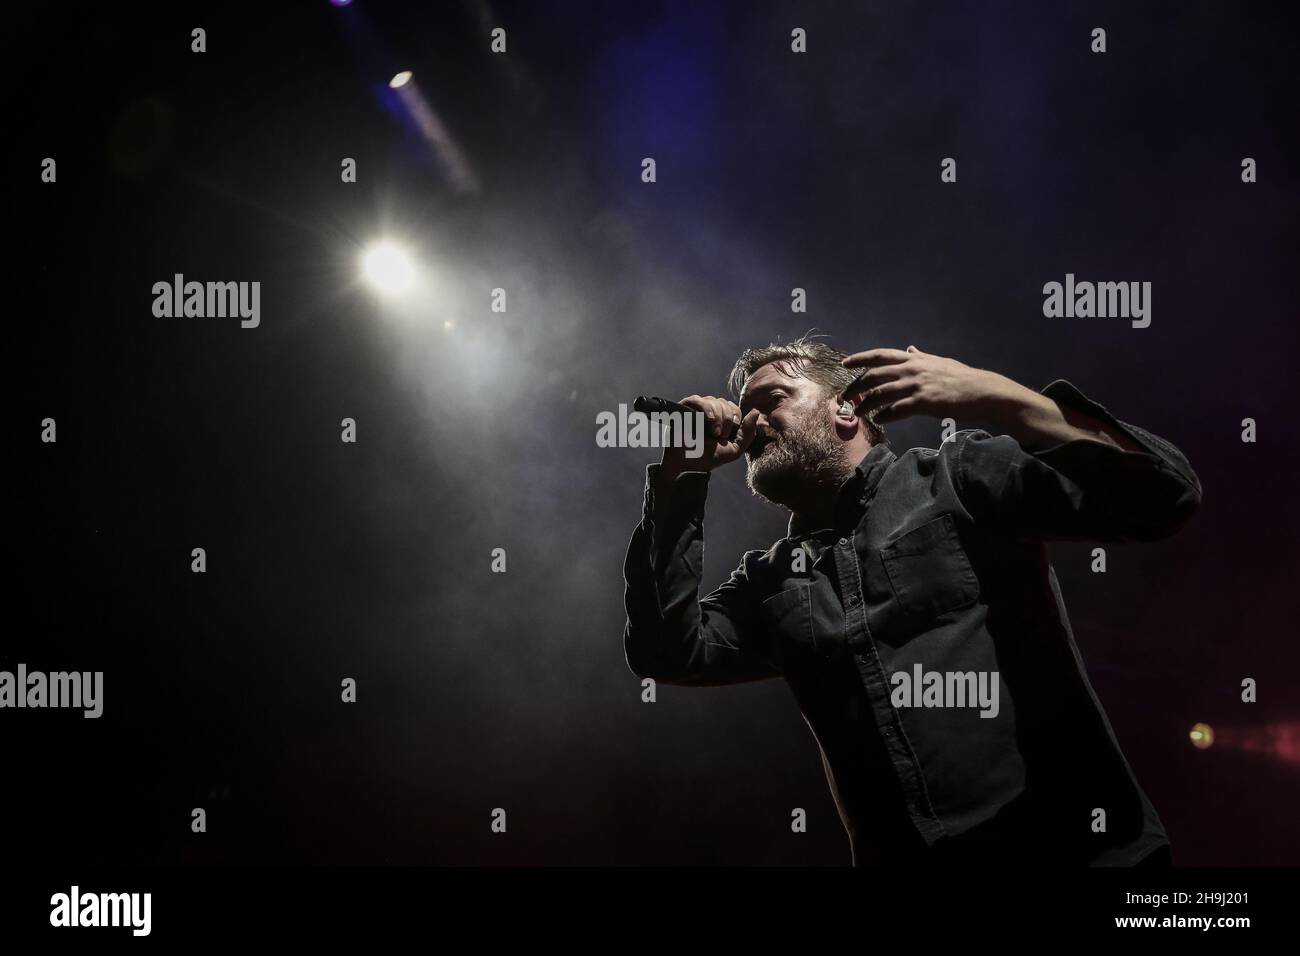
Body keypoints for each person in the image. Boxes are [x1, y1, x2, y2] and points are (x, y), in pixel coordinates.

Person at [621, 335, 1200, 866]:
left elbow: (1163, 493)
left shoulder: (954, 477)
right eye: (744, 407)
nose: (750, 422)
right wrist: (679, 477)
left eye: (771, 398)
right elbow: (666, 653)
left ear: (845, 408)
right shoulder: (771, 580)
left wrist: (992, 394)